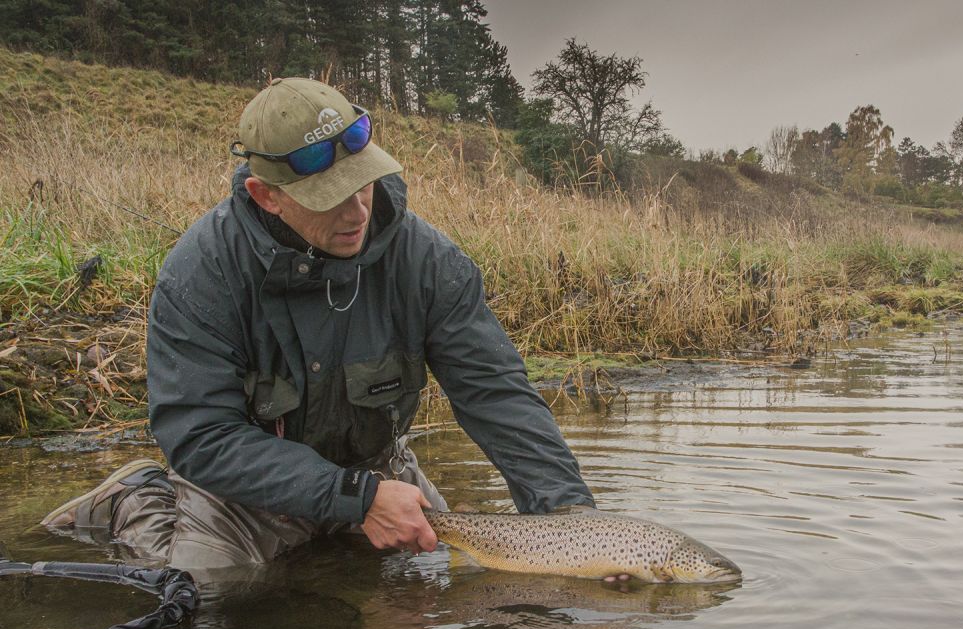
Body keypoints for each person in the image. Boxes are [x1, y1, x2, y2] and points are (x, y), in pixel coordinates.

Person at [42, 77, 595, 571]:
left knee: (430, 580)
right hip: (246, 491)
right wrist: (353, 496)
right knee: (211, 594)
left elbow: (496, 393)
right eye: (331, 198)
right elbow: (202, 437)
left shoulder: (426, 261)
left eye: (364, 184)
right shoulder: (201, 274)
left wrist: (571, 520)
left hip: (375, 470)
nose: (357, 212)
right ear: (268, 196)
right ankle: (138, 500)